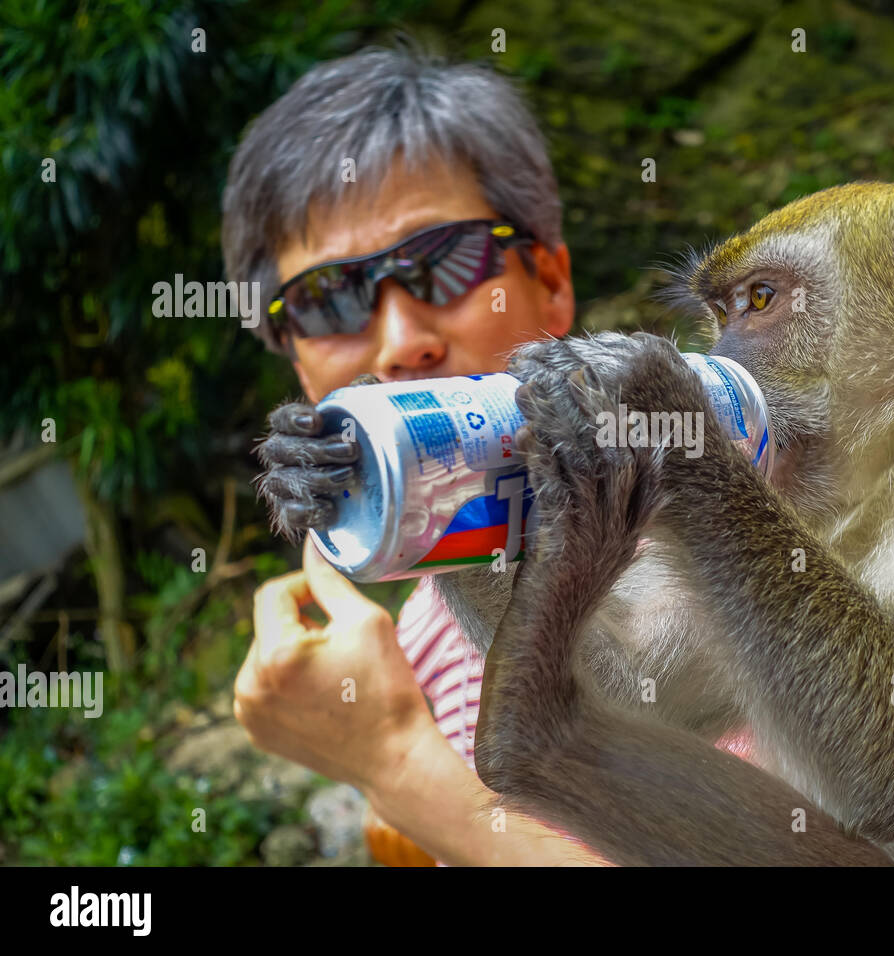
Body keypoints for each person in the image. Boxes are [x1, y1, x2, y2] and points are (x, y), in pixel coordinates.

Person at [221, 47, 608, 865]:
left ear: (551, 278)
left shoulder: (720, 500)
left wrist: (396, 762)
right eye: (329, 299)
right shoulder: (410, 649)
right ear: (298, 362)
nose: (401, 345)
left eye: (447, 261)